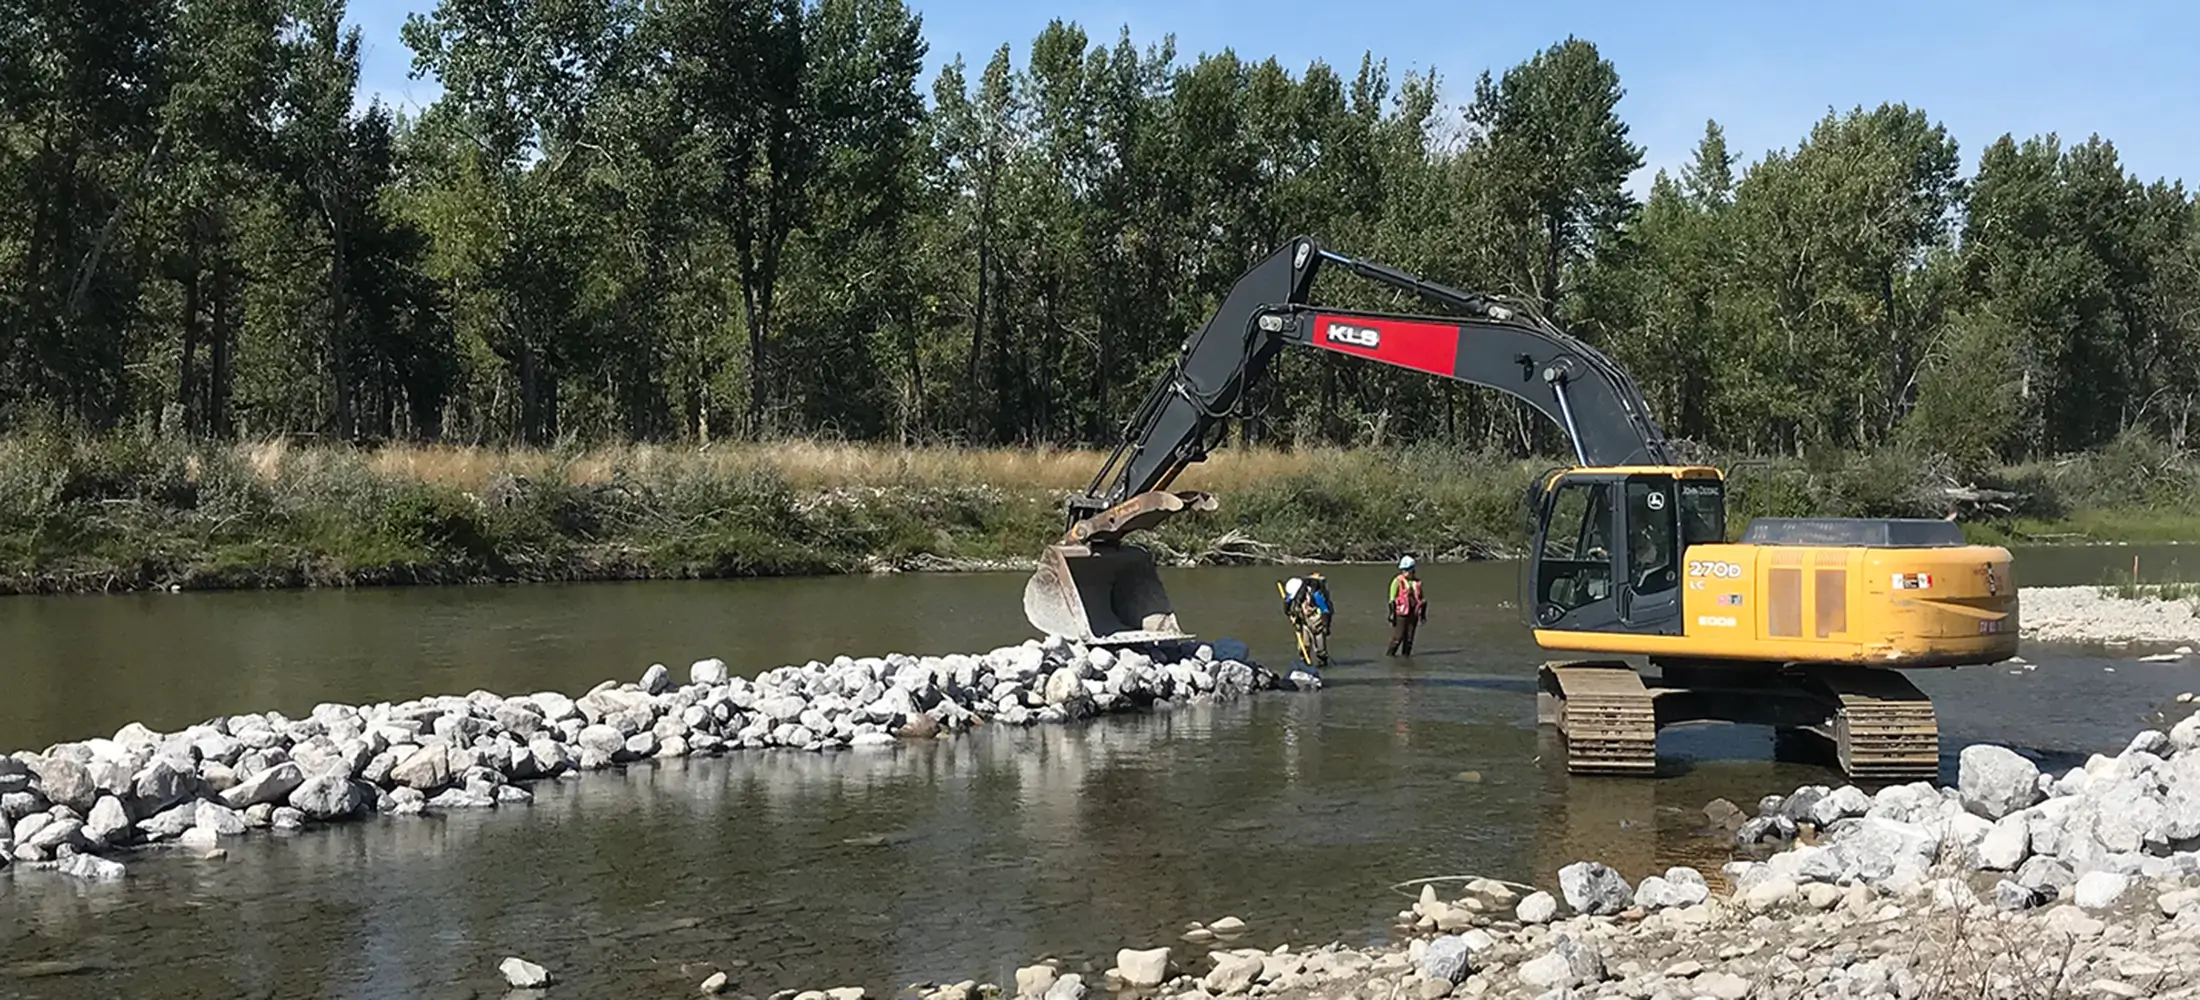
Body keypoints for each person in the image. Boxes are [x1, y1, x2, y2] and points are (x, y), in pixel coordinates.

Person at [1279, 575, 1332, 668]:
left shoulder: (1315, 594)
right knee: (1304, 645)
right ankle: (1304, 662)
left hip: (1317, 621)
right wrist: (1288, 611)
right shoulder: (1296, 593)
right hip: (1304, 621)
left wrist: (1326, 625)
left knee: (1320, 647)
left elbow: (1325, 610)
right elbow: (1288, 600)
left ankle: (1322, 661)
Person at [1386, 556, 1427, 656]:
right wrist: (1391, 614)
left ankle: (1406, 659)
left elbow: (1422, 599)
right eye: (1403, 570)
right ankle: (1390, 655)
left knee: (1409, 639)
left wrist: (1422, 615)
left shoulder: (1417, 583)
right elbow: (1392, 598)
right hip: (1401, 613)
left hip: (1413, 613)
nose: (1405, 572)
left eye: (1407, 570)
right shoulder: (1397, 581)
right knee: (1398, 637)